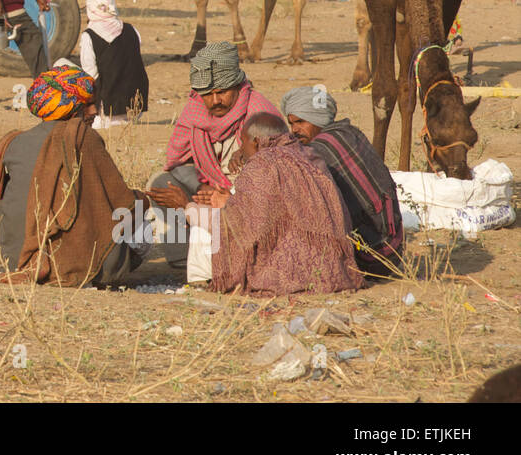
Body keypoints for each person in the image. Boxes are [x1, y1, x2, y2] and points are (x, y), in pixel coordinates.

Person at [0, 67, 149, 286]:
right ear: (69, 108)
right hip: (71, 268)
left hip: (9, 260)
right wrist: (146, 200)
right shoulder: (82, 137)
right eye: (87, 105)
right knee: (143, 227)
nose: (94, 112)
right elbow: (121, 202)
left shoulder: (14, 142)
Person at [180, 113, 363, 295]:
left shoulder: (262, 164)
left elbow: (243, 228)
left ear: (257, 142)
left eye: (243, 143)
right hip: (334, 270)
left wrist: (185, 206)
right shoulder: (311, 155)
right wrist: (232, 202)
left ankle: (201, 285)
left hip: (283, 272)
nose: (241, 150)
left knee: (199, 221)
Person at [146, 41, 279, 266]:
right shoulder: (195, 111)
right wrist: (201, 188)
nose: (215, 100)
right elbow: (176, 161)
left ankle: (236, 260)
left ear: (237, 86)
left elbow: (274, 179)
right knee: (160, 183)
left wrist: (230, 195)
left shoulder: (259, 114)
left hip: (247, 201)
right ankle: (183, 259)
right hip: (209, 189)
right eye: (208, 94)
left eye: (222, 92)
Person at [282, 86, 404, 276]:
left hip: (372, 254)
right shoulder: (348, 132)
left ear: (318, 118)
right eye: (291, 124)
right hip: (394, 245)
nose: (295, 130)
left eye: (300, 122)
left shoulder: (319, 150)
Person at [77, 0, 148, 128]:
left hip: (106, 114)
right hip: (135, 109)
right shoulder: (131, 29)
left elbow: (90, 74)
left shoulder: (89, 36)